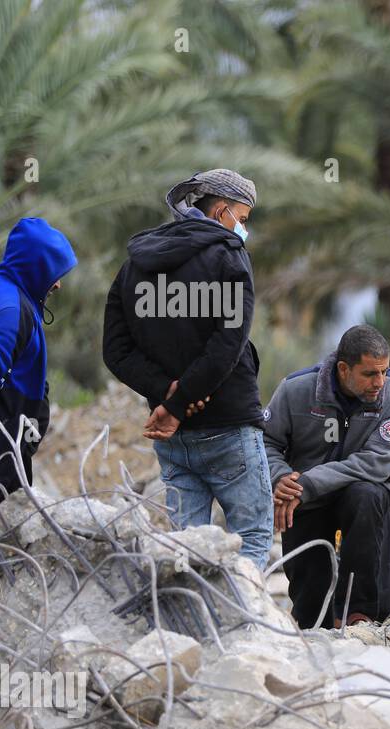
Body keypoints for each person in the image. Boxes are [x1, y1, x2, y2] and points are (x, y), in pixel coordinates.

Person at [102, 168, 272, 567]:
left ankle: (194, 627)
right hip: (228, 426)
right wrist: (181, 402)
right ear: (221, 212)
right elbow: (227, 343)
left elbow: (115, 350)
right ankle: (245, 627)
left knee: (186, 548)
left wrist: (167, 395)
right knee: (251, 536)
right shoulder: (229, 256)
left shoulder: (134, 266)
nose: (243, 230)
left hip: (171, 438)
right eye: (242, 220)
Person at [263, 325, 390, 628]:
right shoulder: (295, 389)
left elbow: (377, 462)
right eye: (370, 374)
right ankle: (311, 622)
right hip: (303, 498)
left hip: (354, 493)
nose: (379, 382)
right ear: (343, 369)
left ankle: (358, 615)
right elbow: (265, 442)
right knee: (310, 608)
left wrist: (307, 483)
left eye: (384, 371)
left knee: (366, 495)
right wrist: (282, 479)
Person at [0, 218, 76, 606]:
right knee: (1, 542)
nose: (56, 284)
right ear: (35, 267)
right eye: (53, 273)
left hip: (2, 442)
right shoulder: (10, 308)